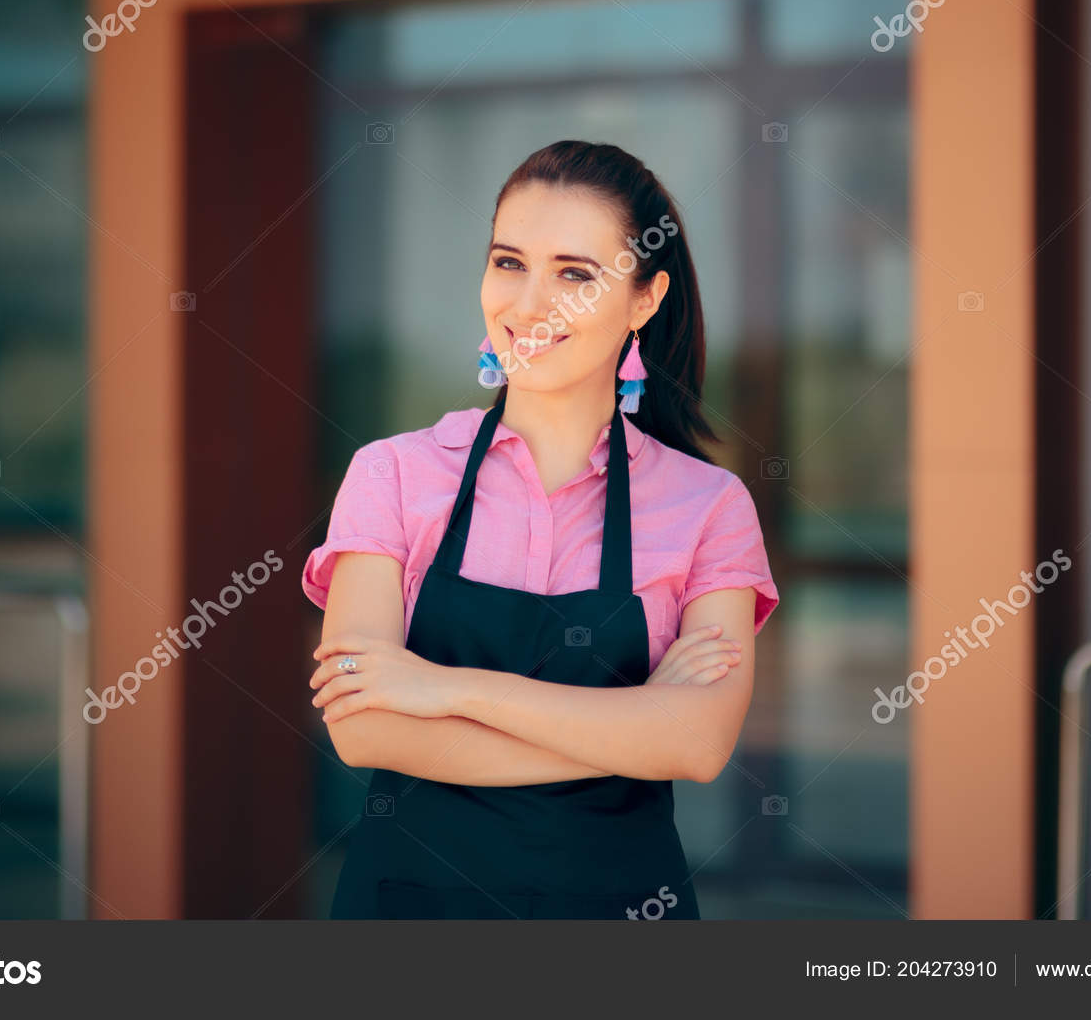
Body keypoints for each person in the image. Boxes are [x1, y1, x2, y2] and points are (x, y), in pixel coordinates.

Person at [301, 140, 779, 919]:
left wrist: (441, 688)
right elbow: (365, 729)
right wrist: (632, 727)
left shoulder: (709, 506)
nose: (527, 304)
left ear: (645, 299)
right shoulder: (391, 474)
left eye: (575, 274)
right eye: (509, 262)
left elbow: (697, 744)